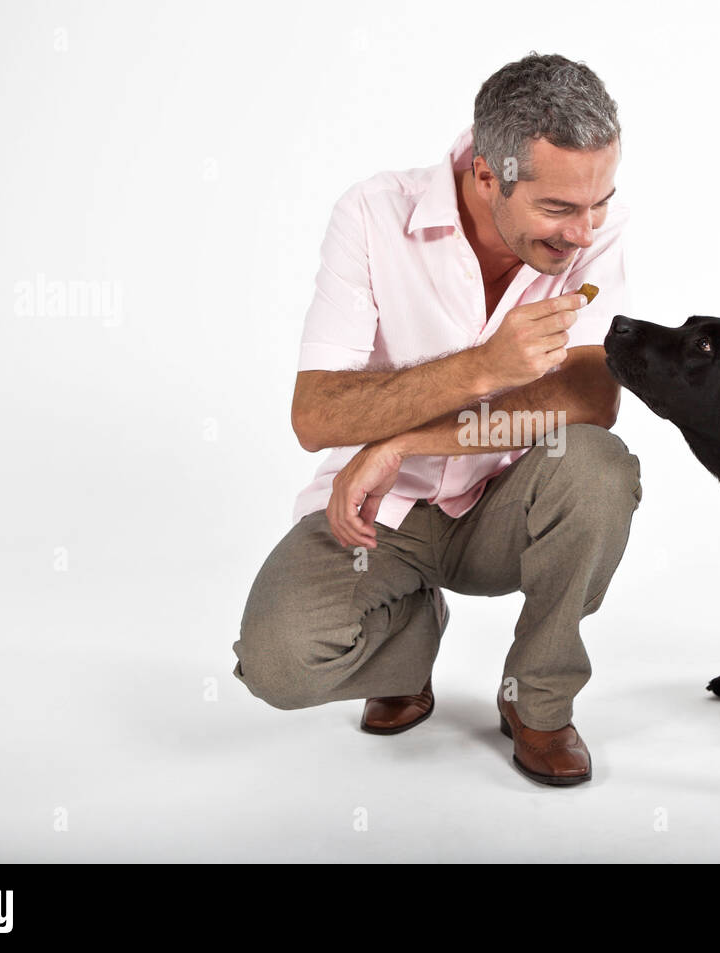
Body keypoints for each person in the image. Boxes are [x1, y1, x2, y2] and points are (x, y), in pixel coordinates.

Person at [233, 52, 642, 785]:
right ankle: (409, 640)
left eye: (599, 202)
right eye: (557, 210)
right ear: (488, 175)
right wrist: (483, 368)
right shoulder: (371, 214)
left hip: (508, 508)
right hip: (379, 512)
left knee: (598, 468)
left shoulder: (591, 230)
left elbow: (589, 400)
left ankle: (537, 701)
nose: (584, 233)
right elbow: (315, 413)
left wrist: (406, 439)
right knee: (276, 661)